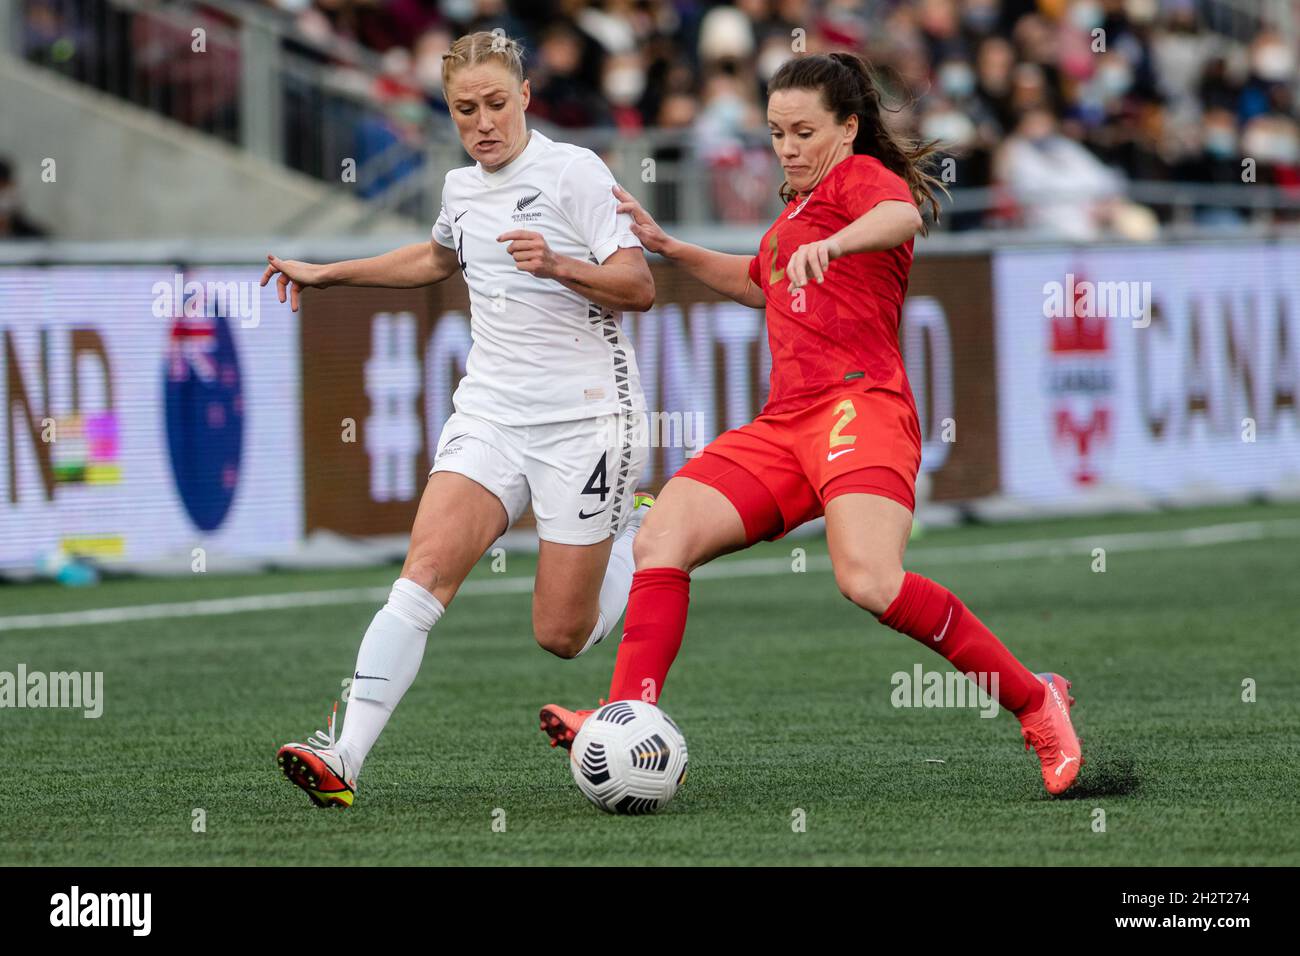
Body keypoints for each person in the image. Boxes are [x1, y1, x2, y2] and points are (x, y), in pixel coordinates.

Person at [539, 52, 1084, 797]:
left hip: (863, 407)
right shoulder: (794, 212)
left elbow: (900, 215)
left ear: (848, 128)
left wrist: (840, 241)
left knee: (868, 580)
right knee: (662, 533)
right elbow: (757, 280)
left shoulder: (856, 182)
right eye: (775, 133)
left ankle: (1034, 700)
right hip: (786, 425)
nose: (787, 147)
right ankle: (627, 715)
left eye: (803, 131)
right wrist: (670, 247)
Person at [262, 31, 656, 807]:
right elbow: (438, 260)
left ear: (526, 98)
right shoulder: (460, 188)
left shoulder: (573, 173)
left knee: (561, 636)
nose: (483, 123)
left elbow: (638, 285)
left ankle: (638, 535)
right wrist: (329, 273)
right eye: (464, 109)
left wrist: (559, 264)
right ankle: (344, 757)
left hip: (587, 422)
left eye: (496, 104)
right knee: (423, 575)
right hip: (492, 412)